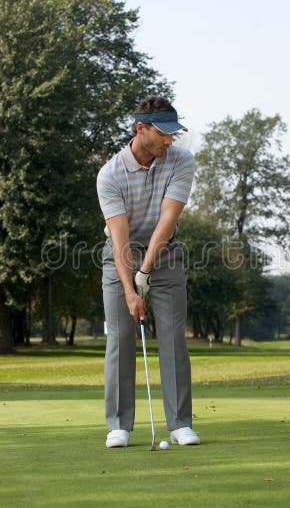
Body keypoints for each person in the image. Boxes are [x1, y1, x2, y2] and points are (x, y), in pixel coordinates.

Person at [96, 96, 200, 448]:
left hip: (164, 253)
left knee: (172, 336)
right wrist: (130, 288)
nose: (170, 141)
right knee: (122, 337)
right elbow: (119, 238)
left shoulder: (181, 161)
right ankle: (119, 425)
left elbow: (167, 222)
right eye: (163, 134)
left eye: (173, 134)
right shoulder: (109, 174)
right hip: (120, 256)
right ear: (141, 129)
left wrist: (147, 270)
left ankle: (180, 424)